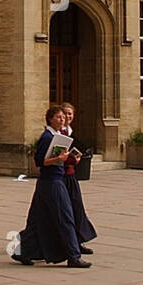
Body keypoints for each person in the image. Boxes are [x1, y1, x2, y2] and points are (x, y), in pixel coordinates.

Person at [11, 106, 91, 267]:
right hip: (52, 182)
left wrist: (69, 159)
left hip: (50, 181)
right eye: (59, 117)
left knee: (37, 219)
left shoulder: (57, 135)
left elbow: (57, 159)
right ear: (50, 119)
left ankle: (23, 252)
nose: (62, 120)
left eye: (63, 117)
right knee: (65, 217)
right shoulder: (47, 137)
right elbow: (40, 162)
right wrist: (59, 159)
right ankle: (73, 256)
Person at [61, 102, 96, 255]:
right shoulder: (57, 133)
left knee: (76, 208)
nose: (67, 117)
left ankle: (78, 240)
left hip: (70, 175)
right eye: (64, 114)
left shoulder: (69, 131)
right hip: (60, 177)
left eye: (70, 114)